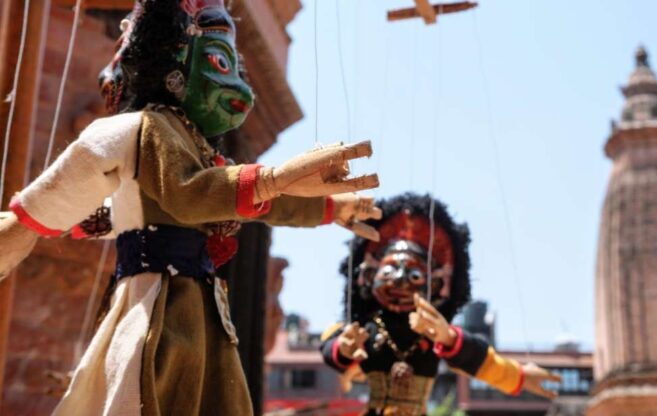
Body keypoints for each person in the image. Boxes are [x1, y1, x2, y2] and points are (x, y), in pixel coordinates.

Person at [0, 1, 380, 414]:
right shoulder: (146, 128)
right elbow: (187, 193)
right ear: (174, 61)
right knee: (149, 390)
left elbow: (258, 203)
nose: (244, 91)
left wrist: (329, 208)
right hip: (156, 306)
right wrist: (275, 178)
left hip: (199, 307)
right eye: (221, 62)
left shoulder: (194, 146)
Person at [320, 194, 561, 416]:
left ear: (434, 285)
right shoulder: (365, 330)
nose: (400, 280)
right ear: (369, 275)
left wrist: (516, 376)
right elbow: (330, 347)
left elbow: (477, 358)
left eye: (414, 275)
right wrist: (343, 348)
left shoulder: (434, 331)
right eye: (390, 270)